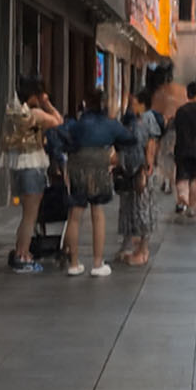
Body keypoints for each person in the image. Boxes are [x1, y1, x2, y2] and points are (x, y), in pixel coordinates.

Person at [55, 90, 133, 277]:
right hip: (100, 165)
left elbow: (61, 137)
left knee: (75, 214)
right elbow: (129, 139)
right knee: (97, 212)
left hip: (77, 165)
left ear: (85, 104)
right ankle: (97, 264)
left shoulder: (77, 124)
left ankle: (73, 264)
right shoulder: (110, 124)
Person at [4, 75, 62, 274]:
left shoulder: (14, 111)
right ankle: (23, 255)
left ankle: (20, 251)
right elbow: (58, 121)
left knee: (25, 215)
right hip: (33, 167)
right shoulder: (35, 113)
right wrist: (47, 103)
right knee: (31, 215)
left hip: (18, 167)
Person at [115, 87, 160, 266]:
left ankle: (143, 249)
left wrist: (146, 167)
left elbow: (151, 143)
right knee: (129, 207)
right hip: (130, 169)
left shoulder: (146, 120)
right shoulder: (133, 120)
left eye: (134, 102)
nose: (131, 106)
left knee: (141, 208)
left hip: (139, 169)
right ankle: (129, 244)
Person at [171, 82, 196, 219]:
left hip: (181, 149)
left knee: (182, 176)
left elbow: (174, 127)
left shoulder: (180, 111)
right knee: (195, 178)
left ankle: (183, 200)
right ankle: (193, 207)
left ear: (187, 94)